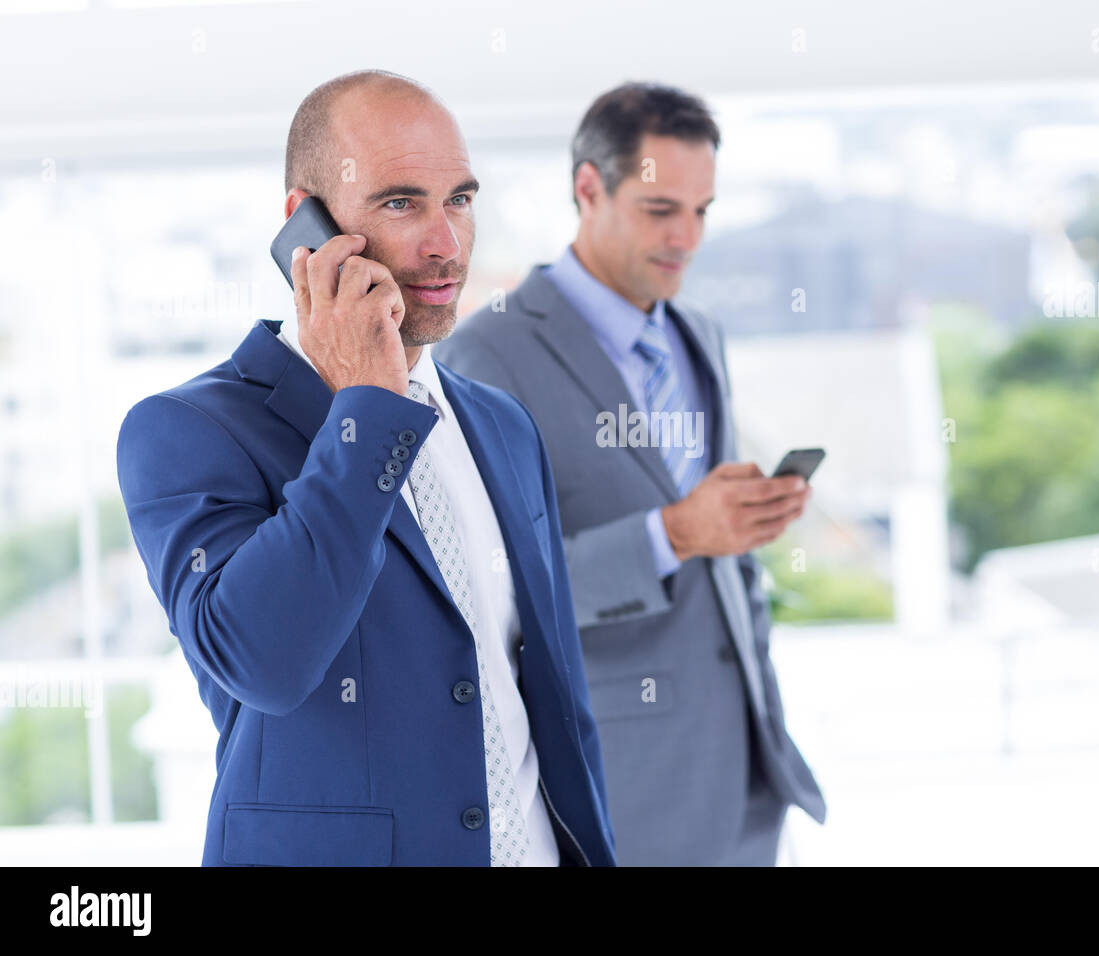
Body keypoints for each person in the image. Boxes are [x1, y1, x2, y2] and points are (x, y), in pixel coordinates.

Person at [115, 70, 614, 866]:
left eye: (459, 200)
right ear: (304, 225)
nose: (446, 243)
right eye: (400, 202)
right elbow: (264, 662)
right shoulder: (184, 431)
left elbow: (557, 708)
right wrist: (365, 409)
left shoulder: (503, 426)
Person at [433, 81, 826, 866]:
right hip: (626, 784)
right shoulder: (486, 353)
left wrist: (742, 520)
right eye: (660, 210)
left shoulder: (699, 335)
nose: (687, 236)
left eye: (702, 210)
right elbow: (489, 587)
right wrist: (674, 534)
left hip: (749, 772)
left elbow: (720, 563)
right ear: (589, 188)